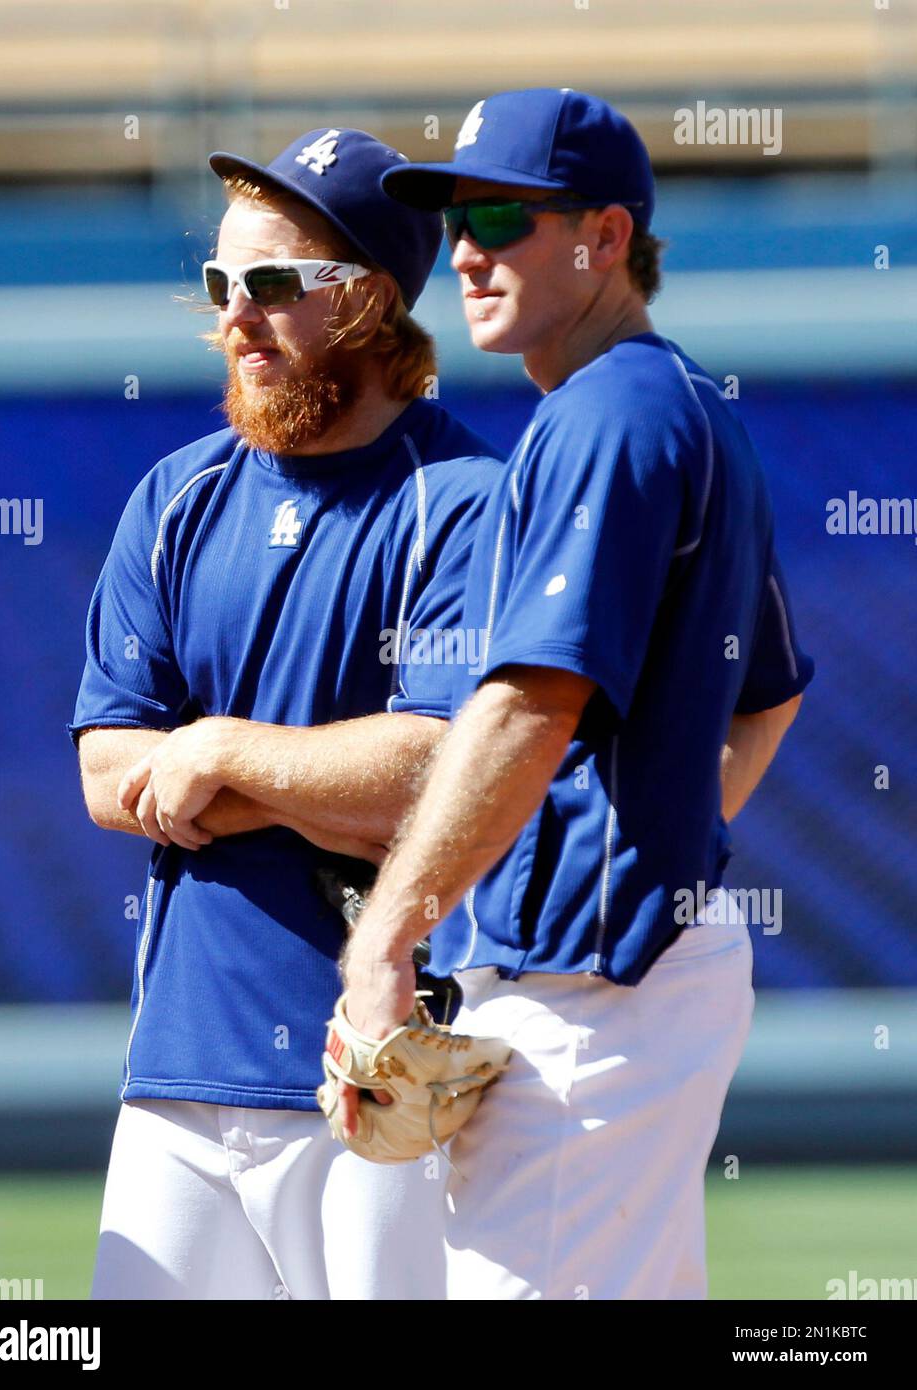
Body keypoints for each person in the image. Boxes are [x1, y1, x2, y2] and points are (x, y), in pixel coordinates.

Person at [336, 88, 815, 1300]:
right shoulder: (683, 405)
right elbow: (766, 697)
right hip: (626, 972)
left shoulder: (605, 414)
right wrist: (668, 840)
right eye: (453, 219)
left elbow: (527, 706)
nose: (463, 250)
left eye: (500, 215)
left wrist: (386, 934)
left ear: (603, 236)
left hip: (593, 989)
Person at [68, 126, 503, 1300]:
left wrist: (213, 752)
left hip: (375, 1069)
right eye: (218, 285)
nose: (234, 316)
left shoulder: (463, 502)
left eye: (270, 285)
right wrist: (325, 799)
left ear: (366, 300)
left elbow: (435, 770)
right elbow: (112, 779)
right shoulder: (176, 496)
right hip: (175, 1068)